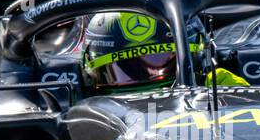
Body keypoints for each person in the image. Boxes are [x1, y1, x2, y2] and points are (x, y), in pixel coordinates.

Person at [79, 11, 249, 92]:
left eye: (162, 59)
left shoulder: (218, 86)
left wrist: (236, 96)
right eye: (125, 69)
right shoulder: (89, 118)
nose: (149, 79)